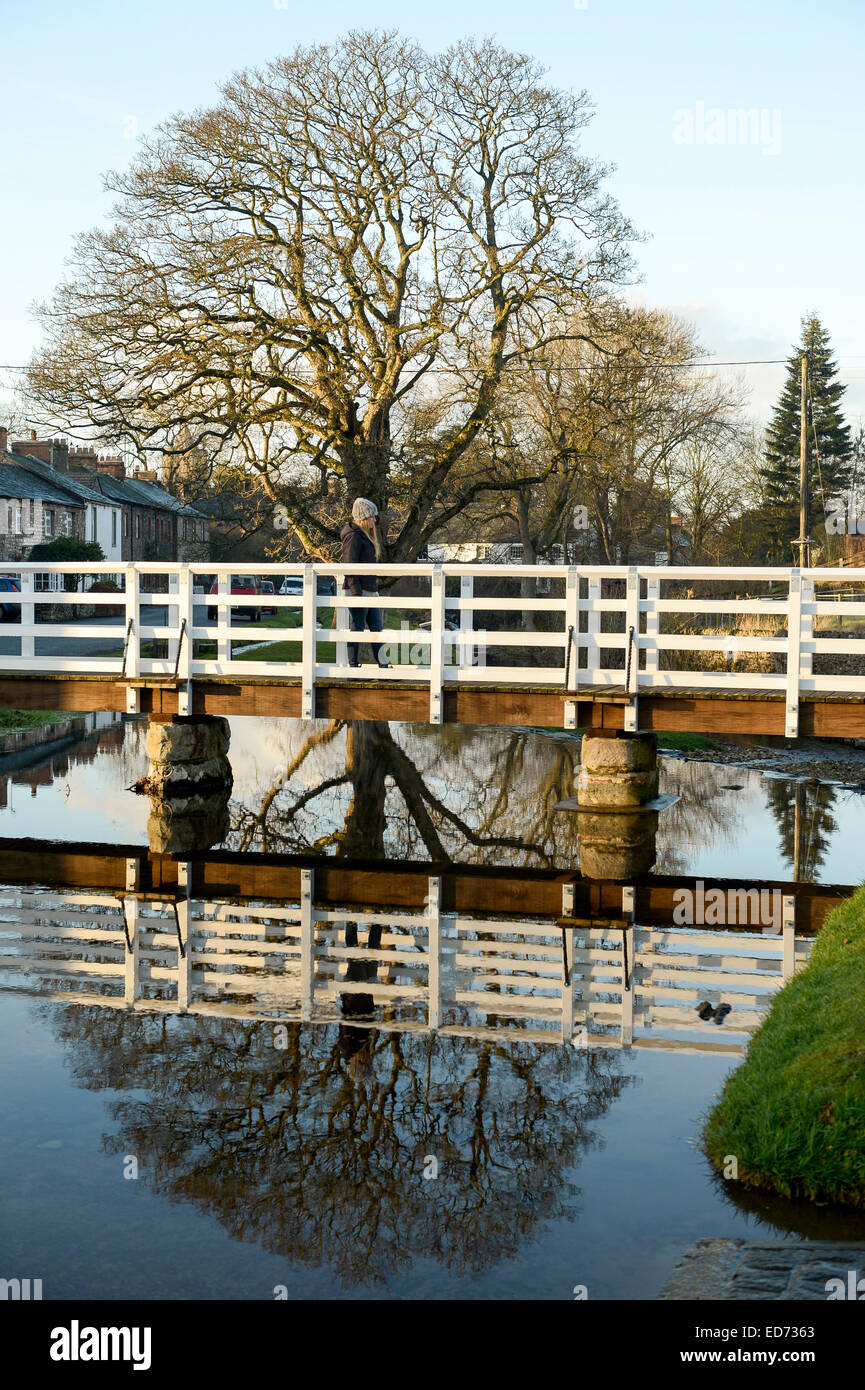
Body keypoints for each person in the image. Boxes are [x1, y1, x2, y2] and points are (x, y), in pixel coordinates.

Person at [340, 498, 390, 668]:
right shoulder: (353, 537)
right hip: (358, 590)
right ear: (363, 518)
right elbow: (350, 565)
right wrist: (356, 592)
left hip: (369, 589)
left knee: (376, 628)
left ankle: (383, 666)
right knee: (358, 627)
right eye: (371, 517)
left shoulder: (364, 536)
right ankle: (353, 666)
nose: (374, 520)